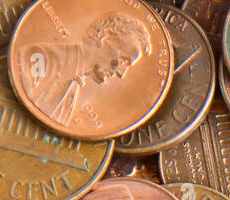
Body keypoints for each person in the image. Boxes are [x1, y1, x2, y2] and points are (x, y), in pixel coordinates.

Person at [16, 12, 153, 125]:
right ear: (104, 37)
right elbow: (30, 105)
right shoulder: (40, 56)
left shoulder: (75, 86)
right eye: (123, 60)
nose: (121, 73)